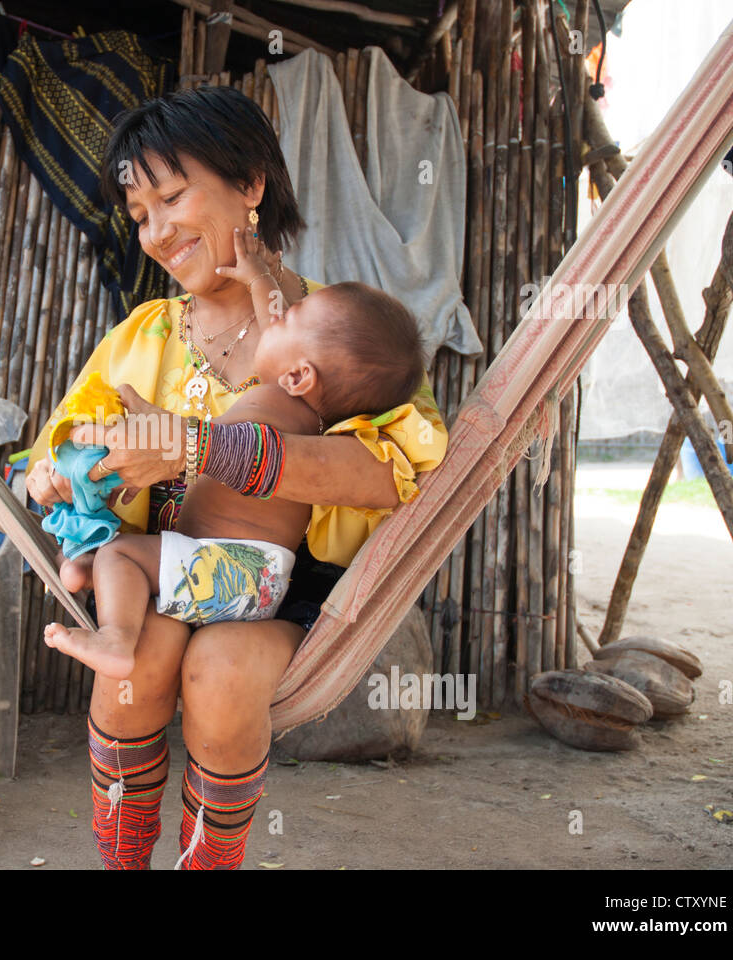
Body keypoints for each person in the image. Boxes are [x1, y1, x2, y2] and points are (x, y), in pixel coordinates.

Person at [25, 85, 448, 870]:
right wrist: (66, 472)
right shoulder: (137, 338)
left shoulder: (343, 333)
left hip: (283, 594)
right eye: (140, 213)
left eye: (173, 197)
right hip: (160, 575)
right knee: (132, 672)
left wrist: (195, 448)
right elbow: (46, 462)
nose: (155, 232)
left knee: (218, 674)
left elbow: (398, 475)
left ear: (250, 184)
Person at [44, 228, 425, 681]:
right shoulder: (299, 411)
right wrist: (260, 277)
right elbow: (274, 327)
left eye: (289, 318)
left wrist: (155, 428)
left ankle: (116, 640)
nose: (274, 316)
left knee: (119, 557)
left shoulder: (274, 411)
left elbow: (200, 445)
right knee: (123, 556)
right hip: (255, 581)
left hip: (225, 568)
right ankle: (89, 568)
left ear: (300, 375)